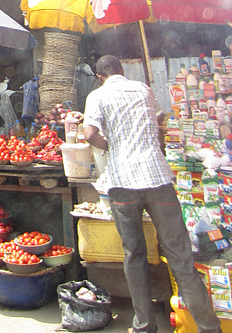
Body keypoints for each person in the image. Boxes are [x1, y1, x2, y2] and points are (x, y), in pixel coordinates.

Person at [83, 55, 221, 333]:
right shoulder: (144, 89)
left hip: (123, 184)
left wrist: (110, 146)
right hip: (158, 180)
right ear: (122, 70)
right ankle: (209, 327)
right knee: (180, 256)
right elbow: (158, 121)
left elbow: (88, 134)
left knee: (134, 255)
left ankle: (144, 325)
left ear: (100, 76)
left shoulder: (97, 95)